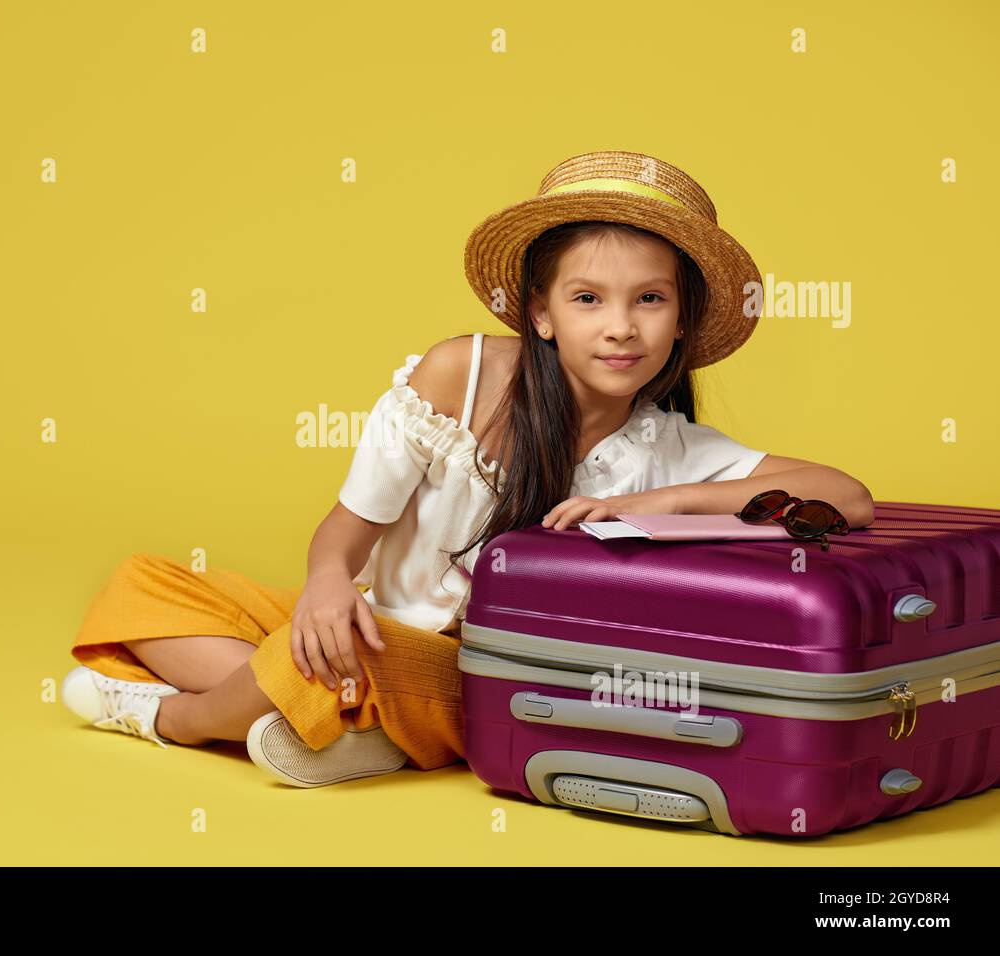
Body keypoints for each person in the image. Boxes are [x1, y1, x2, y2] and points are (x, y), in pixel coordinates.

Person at [61, 150, 876, 787]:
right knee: (146, 583)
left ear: (681, 318)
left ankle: (178, 720)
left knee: (341, 660)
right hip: (375, 619)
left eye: (650, 301)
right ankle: (353, 722)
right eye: (588, 299)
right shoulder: (462, 374)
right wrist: (325, 586)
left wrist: (677, 498)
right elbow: (352, 525)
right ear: (541, 313)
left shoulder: (670, 447)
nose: (620, 328)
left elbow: (848, 497)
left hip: (485, 677)